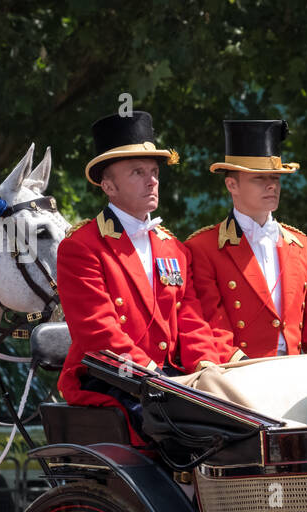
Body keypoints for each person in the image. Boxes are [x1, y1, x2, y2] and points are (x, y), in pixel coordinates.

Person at [56, 110, 235, 435]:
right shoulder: (81, 247)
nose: (152, 180)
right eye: (137, 172)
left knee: (237, 415)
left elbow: (190, 318)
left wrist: (207, 366)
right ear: (108, 185)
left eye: (154, 171)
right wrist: (153, 374)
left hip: (169, 376)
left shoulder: (173, 248)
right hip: (112, 375)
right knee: (188, 430)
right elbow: (99, 334)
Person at [184, 119, 307, 360]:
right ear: (231, 185)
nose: (271, 186)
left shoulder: (302, 246)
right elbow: (212, 325)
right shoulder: (203, 248)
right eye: (259, 178)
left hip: (295, 373)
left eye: (276, 178)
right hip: (236, 375)